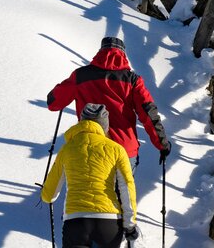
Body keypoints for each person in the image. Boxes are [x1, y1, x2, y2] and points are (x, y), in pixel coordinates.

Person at [47, 36, 171, 166]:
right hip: (123, 149)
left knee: (84, 185)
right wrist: (162, 144)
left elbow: (53, 103)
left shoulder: (80, 76)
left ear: (100, 52)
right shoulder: (133, 81)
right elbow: (149, 113)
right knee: (123, 186)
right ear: (123, 54)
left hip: (89, 145)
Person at [41, 103, 139, 248]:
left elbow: (49, 196)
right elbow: (127, 187)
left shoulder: (66, 149)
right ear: (105, 126)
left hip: (75, 223)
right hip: (109, 223)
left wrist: (45, 193)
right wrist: (130, 224)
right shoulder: (116, 149)